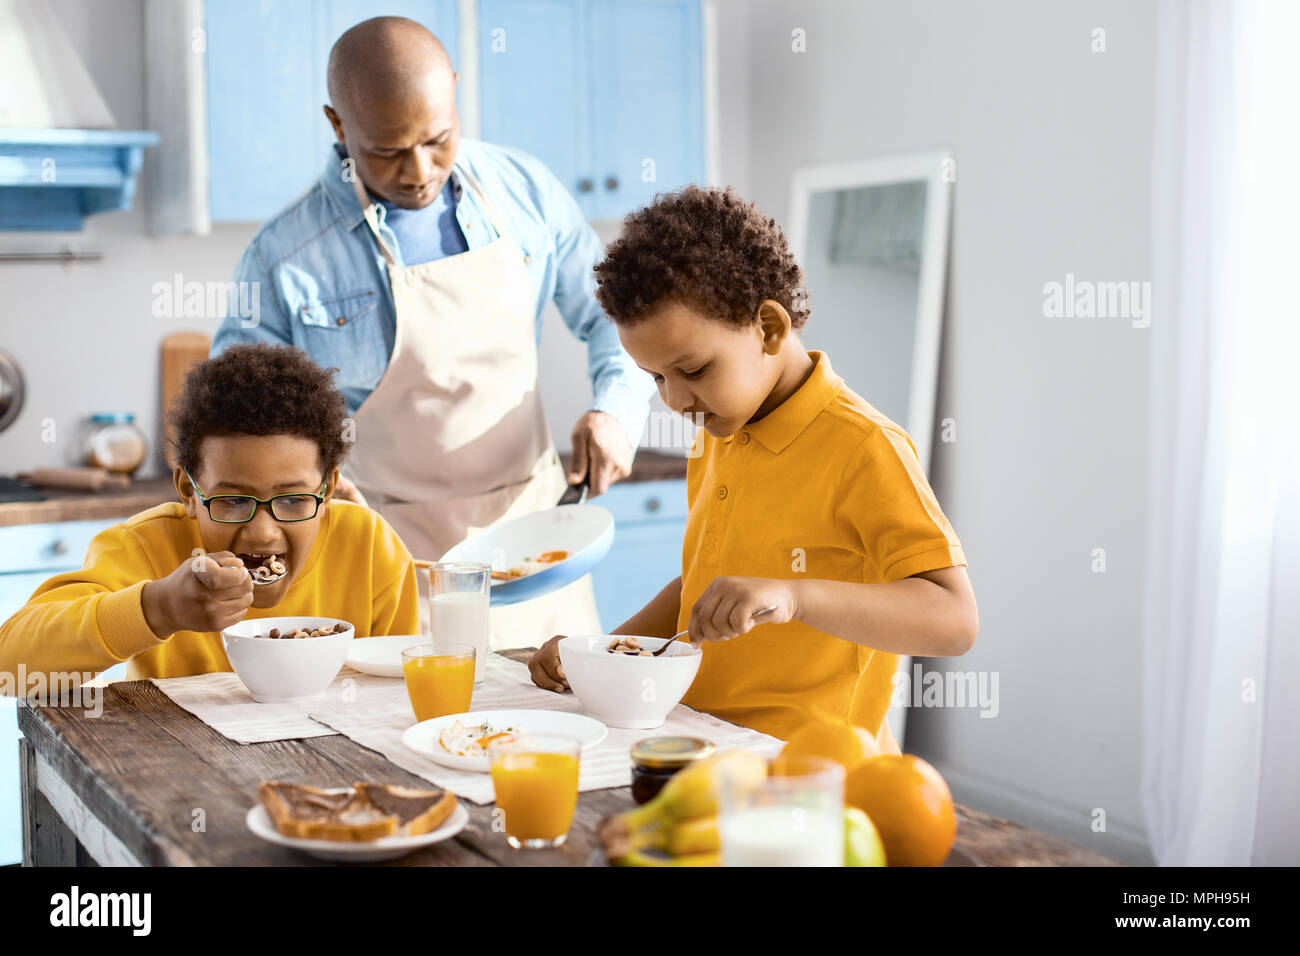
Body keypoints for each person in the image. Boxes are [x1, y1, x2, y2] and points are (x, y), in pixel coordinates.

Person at [210, 17, 654, 648]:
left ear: (452, 91)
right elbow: (237, 416)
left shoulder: (526, 191)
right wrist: (305, 488)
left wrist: (615, 411)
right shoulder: (284, 255)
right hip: (388, 557)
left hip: (538, 541)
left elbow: (619, 315)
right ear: (338, 125)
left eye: (438, 140)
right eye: (387, 151)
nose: (418, 170)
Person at [528, 186, 978, 748]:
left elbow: (954, 620)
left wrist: (794, 597)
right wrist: (596, 657)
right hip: (702, 739)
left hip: (805, 764)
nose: (673, 400)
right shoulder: (722, 431)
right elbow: (701, 592)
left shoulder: (863, 447)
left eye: (692, 368)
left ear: (768, 328)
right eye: (657, 379)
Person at [0, 344, 419, 687]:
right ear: (188, 491)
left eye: (292, 500)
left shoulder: (368, 549)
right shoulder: (146, 548)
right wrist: (156, 610)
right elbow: (10, 669)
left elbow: (398, 690)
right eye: (233, 501)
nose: (262, 534)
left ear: (326, 489)